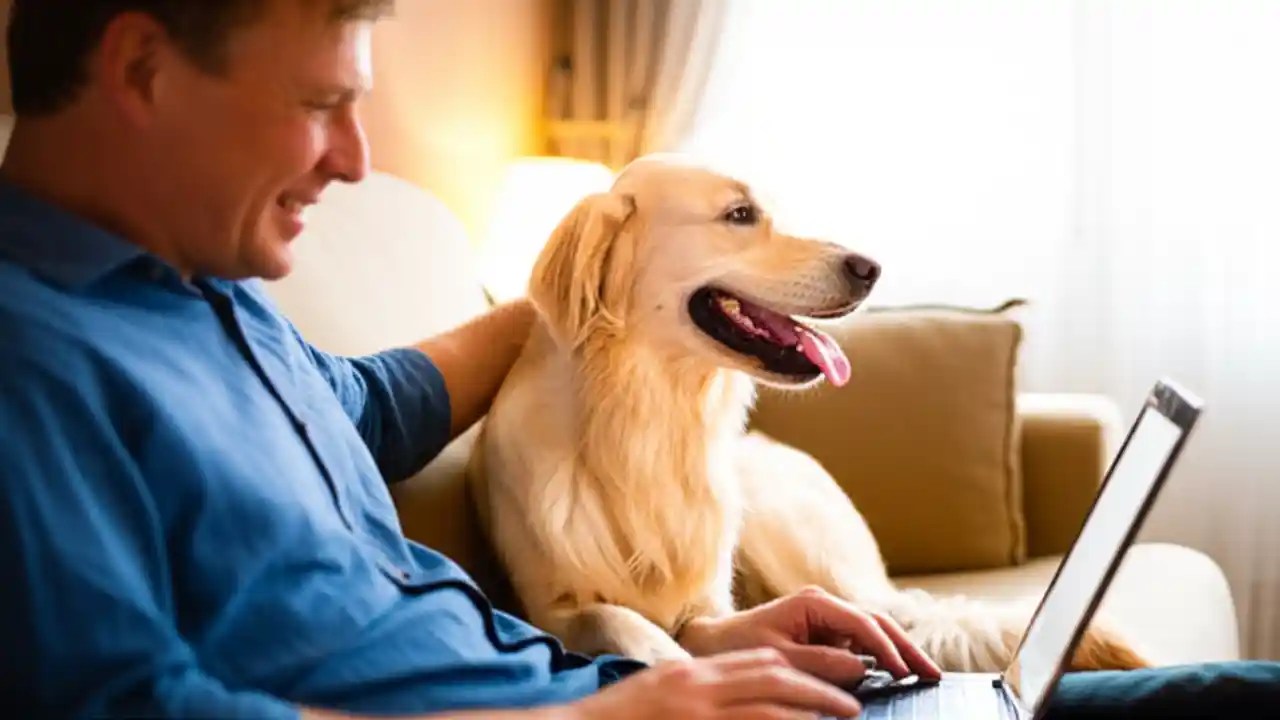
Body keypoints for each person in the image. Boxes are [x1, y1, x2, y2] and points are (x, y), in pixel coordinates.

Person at [0, 2, 1274, 719]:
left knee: (1209, 698)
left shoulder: (210, 300)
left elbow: (378, 399)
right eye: (325, 102)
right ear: (141, 68)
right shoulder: (37, 357)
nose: (355, 164)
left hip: (626, 692)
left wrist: (705, 647)